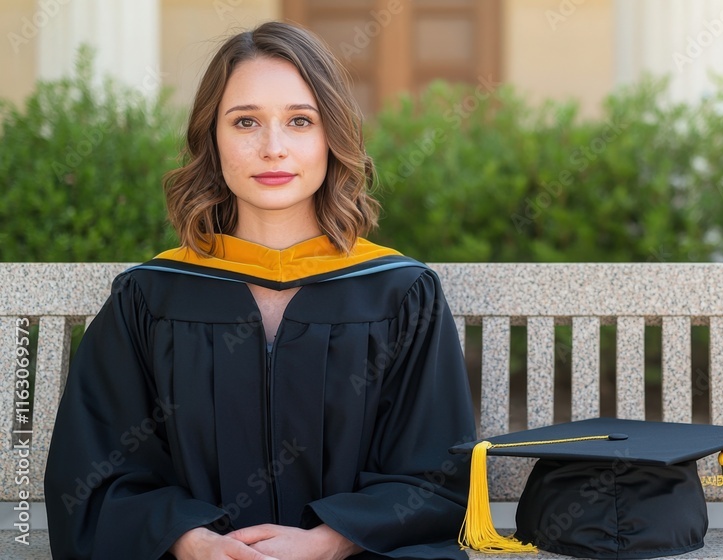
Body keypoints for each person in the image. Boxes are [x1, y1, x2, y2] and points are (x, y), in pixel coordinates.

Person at [44, 21, 476, 560]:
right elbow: (95, 476)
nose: (273, 148)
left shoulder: (397, 294)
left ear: (331, 137)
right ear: (213, 139)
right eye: (245, 121)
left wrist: (329, 541)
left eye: (300, 121)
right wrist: (187, 540)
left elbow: (433, 475)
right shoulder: (152, 298)